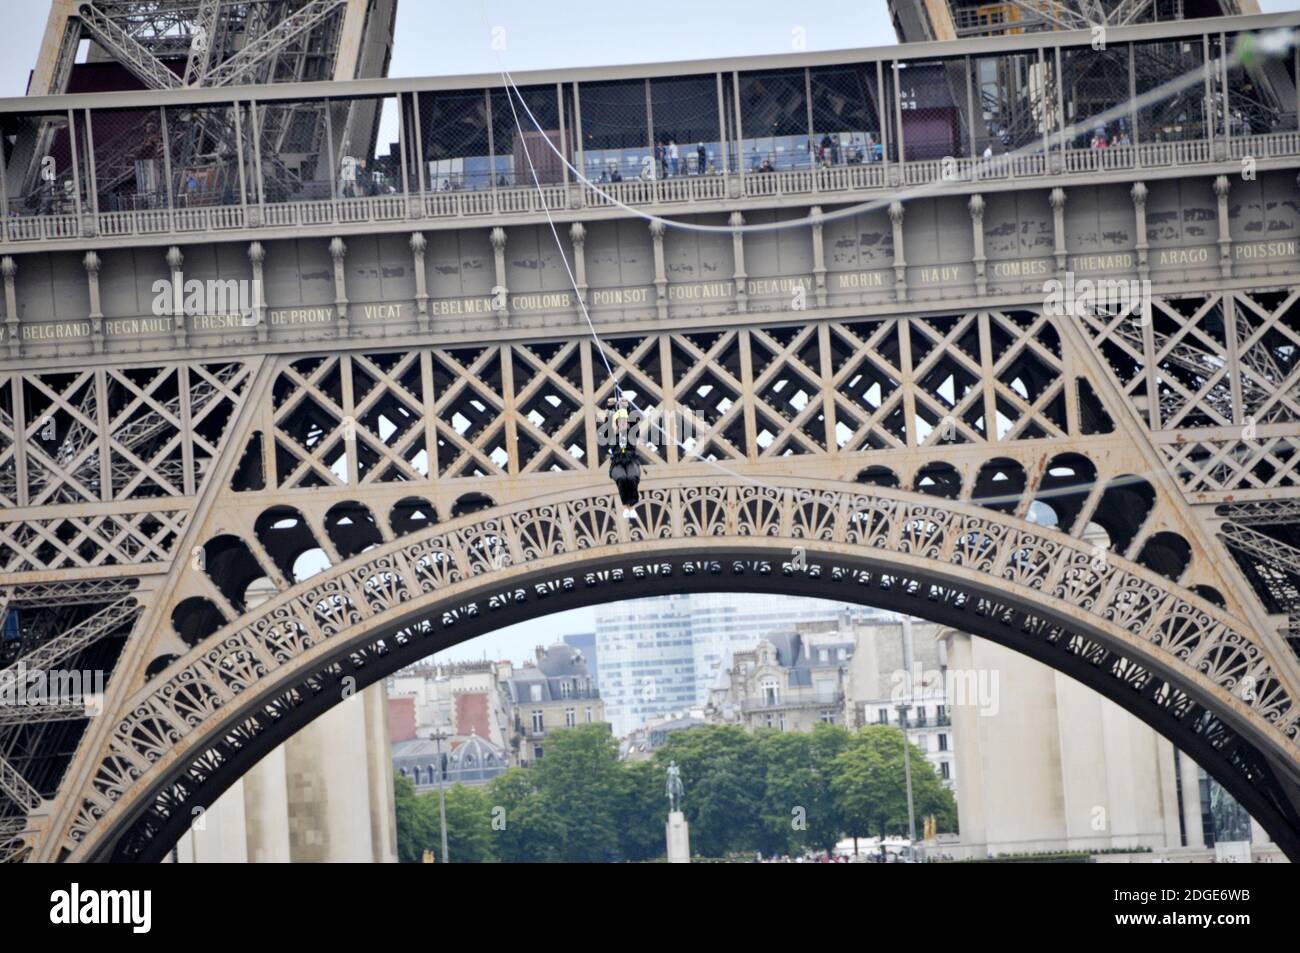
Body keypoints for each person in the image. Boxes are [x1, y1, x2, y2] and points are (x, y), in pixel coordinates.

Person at [598, 394, 641, 518]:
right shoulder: (612, 435)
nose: (622, 424)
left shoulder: (632, 434)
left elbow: (634, 425)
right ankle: (625, 506)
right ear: (617, 424)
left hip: (630, 461)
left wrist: (628, 408)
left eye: (624, 422)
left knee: (632, 477)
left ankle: (632, 506)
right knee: (621, 478)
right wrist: (609, 408)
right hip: (617, 462)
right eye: (620, 422)